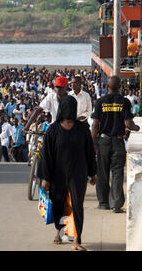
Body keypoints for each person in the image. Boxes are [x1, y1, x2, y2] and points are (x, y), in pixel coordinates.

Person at [38, 95, 97, 251]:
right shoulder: (53, 130)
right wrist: (45, 177)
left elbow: (89, 151)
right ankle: (59, 231)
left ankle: (76, 240)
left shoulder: (82, 128)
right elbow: (46, 155)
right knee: (59, 203)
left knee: (77, 205)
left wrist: (93, 173)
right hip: (58, 174)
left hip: (78, 173)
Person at [91, 76, 140, 213]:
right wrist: (136, 128)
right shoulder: (124, 102)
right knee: (117, 172)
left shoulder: (100, 102)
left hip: (103, 141)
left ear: (108, 86)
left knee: (102, 172)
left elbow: (95, 125)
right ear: (119, 87)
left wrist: (92, 143)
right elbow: (129, 124)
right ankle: (116, 204)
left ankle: (103, 202)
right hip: (118, 141)